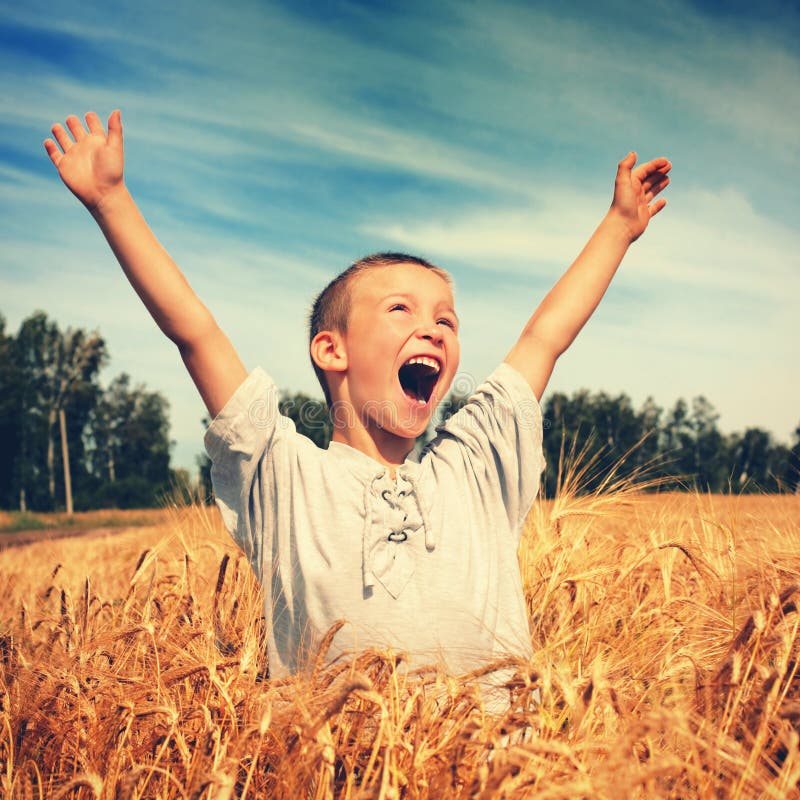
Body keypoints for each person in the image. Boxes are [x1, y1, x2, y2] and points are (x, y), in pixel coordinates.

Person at [44, 110, 670, 696]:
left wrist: (618, 227)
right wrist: (110, 201)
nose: (434, 329)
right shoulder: (284, 477)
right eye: (401, 309)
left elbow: (543, 338)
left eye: (446, 319)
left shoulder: (476, 470)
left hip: (499, 777)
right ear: (330, 349)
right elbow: (196, 334)